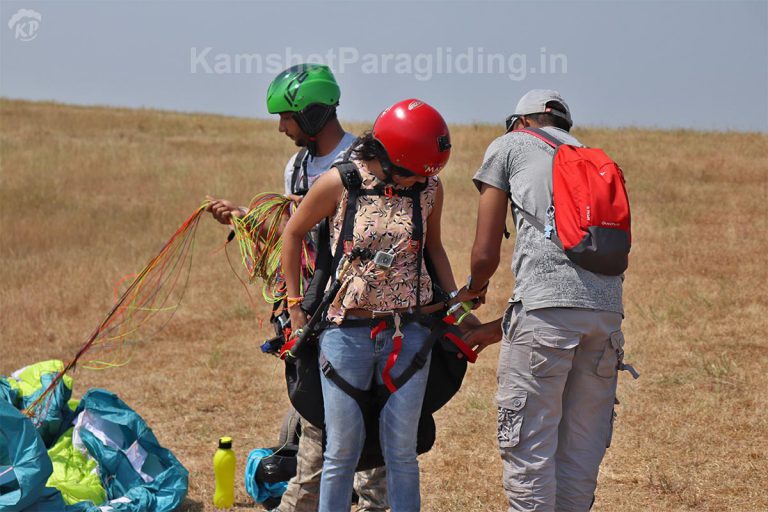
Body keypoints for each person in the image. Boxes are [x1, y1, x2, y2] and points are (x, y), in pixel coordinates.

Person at [207, 64, 388, 512]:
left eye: (287, 117)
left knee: (365, 411)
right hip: (312, 308)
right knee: (318, 409)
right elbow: (296, 228)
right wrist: (247, 216)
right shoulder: (299, 165)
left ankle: (364, 500)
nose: (282, 127)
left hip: (362, 311)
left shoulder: (362, 159)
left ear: (311, 114)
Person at [281, 99, 458, 512]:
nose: (420, 181)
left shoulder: (429, 187)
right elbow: (293, 234)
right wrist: (294, 307)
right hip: (345, 335)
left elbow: (435, 248)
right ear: (389, 157)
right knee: (341, 450)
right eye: (414, 172)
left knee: (401, 452)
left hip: (409, 335)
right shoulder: (339, 183)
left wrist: (455, 305)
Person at [461, 89, 631, 511]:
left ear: (521, 122)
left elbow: (486, 254)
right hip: (605, 320)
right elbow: (568, 294)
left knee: (529, 452)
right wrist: (496, 328)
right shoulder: (596, 158)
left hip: (545, 320)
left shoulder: (511, 145)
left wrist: (474, 289)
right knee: (580, 451)